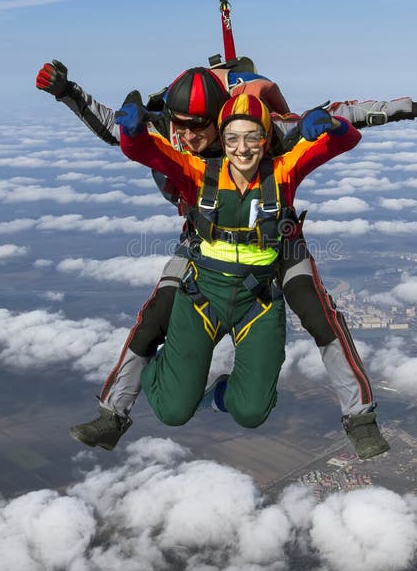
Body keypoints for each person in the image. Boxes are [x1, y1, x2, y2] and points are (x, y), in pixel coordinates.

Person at [36, 59, 417, 457]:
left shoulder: (266, 131)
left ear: (220, 119)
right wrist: (68, 92)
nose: (188, 136)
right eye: (180, 125)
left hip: (277, 239)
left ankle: (358, 418)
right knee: (155, 316)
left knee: (319, 316)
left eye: (198, 127)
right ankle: (115, 415)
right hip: (204, 240)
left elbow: (347, 116)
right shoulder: (171, 134)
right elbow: (117, 131)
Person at [114, 92, 361, 430]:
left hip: (258, 299)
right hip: (203, 296)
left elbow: (347, 140)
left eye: (252, 137)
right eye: (232, 138)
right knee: (173, 412)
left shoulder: (283, 172)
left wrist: (332, 124)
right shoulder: (199, 172)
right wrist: (132, 132)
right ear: (222, 139)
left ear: (265, 139)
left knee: (251, 412)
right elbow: (145, 151)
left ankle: (220, 395)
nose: (242, 149)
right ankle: (162, 366)